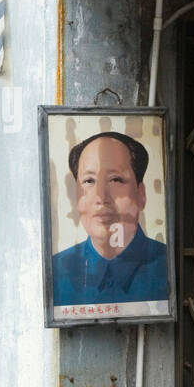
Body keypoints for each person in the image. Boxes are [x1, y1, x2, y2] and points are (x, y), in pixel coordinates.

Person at [51, 131, 168, 306]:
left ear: (141, 194)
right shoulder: (57, 271)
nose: (101, 196)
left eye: (115, 180)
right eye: (89, 181)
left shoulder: (168, 266)